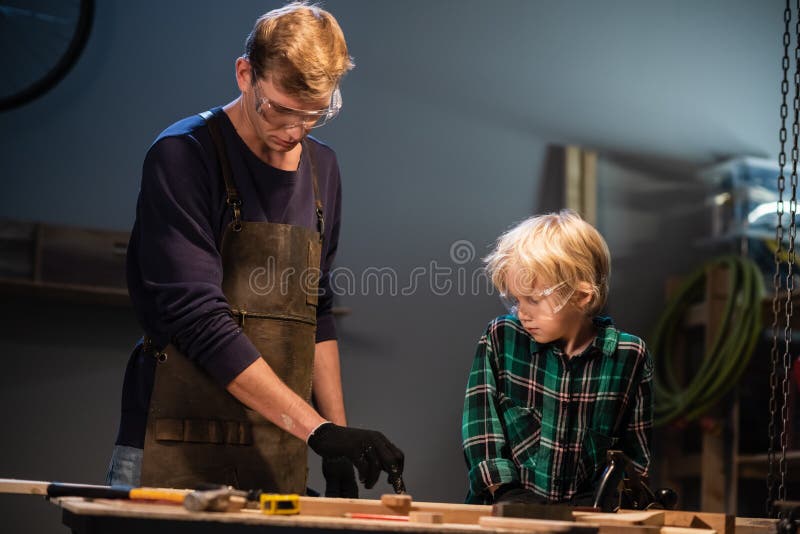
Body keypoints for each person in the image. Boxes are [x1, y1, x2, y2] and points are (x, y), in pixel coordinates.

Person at [106, 2, 404, 497]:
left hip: (276, 448)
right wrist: (318, 430)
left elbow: (317, 311)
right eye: (280, 109)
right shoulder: (183, 155)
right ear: (246, 74)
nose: (294, 131)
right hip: (173, 446)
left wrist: (339, 441)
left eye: (315, 115)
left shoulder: (321, 169)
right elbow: (198, 319)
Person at [461, 210, 652, 504]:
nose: (522, 313)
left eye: (533, 300)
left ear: (581, 296)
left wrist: (605, 498)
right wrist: (507, 492)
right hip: (502, 516)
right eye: (516, 299)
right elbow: (481, 428)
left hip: (586, 522)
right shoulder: (502, 338)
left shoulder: (629, 356)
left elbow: (634, 454)